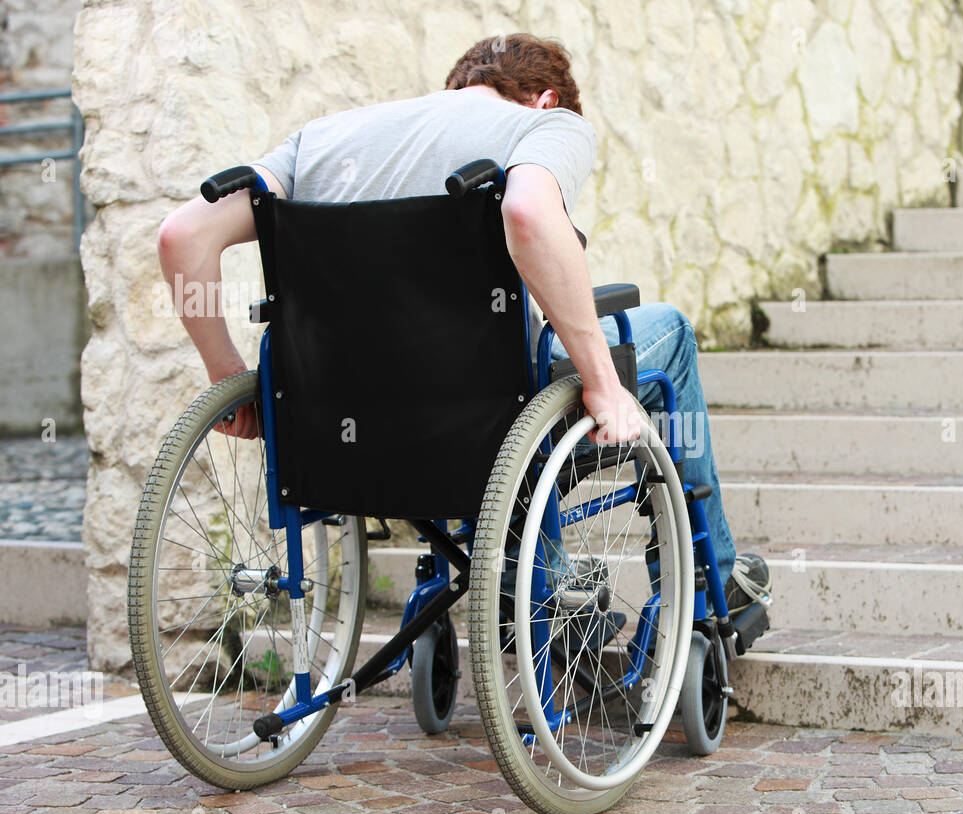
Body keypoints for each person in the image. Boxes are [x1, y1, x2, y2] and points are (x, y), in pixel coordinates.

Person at [156, 33, 770, 614]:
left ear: (458, 87)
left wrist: (229, 376)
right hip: (490, 406)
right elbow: (527, 212)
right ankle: (709, 578)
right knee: (670, 332)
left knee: (491, 370)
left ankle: (533, 576)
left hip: (341, 423)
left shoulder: (317, 141)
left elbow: (182, 235)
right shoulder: (545, 124)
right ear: (547, 97)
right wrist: (603, 383)